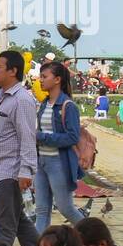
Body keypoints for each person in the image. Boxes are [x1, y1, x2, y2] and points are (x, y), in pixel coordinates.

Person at [0, 49, 40, 246]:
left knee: (5, 227)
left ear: (13, 71)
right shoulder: (0, 97)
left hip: (9, 173)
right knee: (20, 225)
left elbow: (27, 137)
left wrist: (26, 171)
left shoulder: (22, 100)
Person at [33, 60, 85, 232]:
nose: (40, 80)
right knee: (41, 210)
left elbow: (72, 137)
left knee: (65, 208)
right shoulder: (44, 104)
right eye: (40, 76)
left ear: (57, 80)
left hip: (58, 163)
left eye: (44, 76)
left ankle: (95, 237)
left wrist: (42, 137)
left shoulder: (67, 106)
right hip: (41, 162)